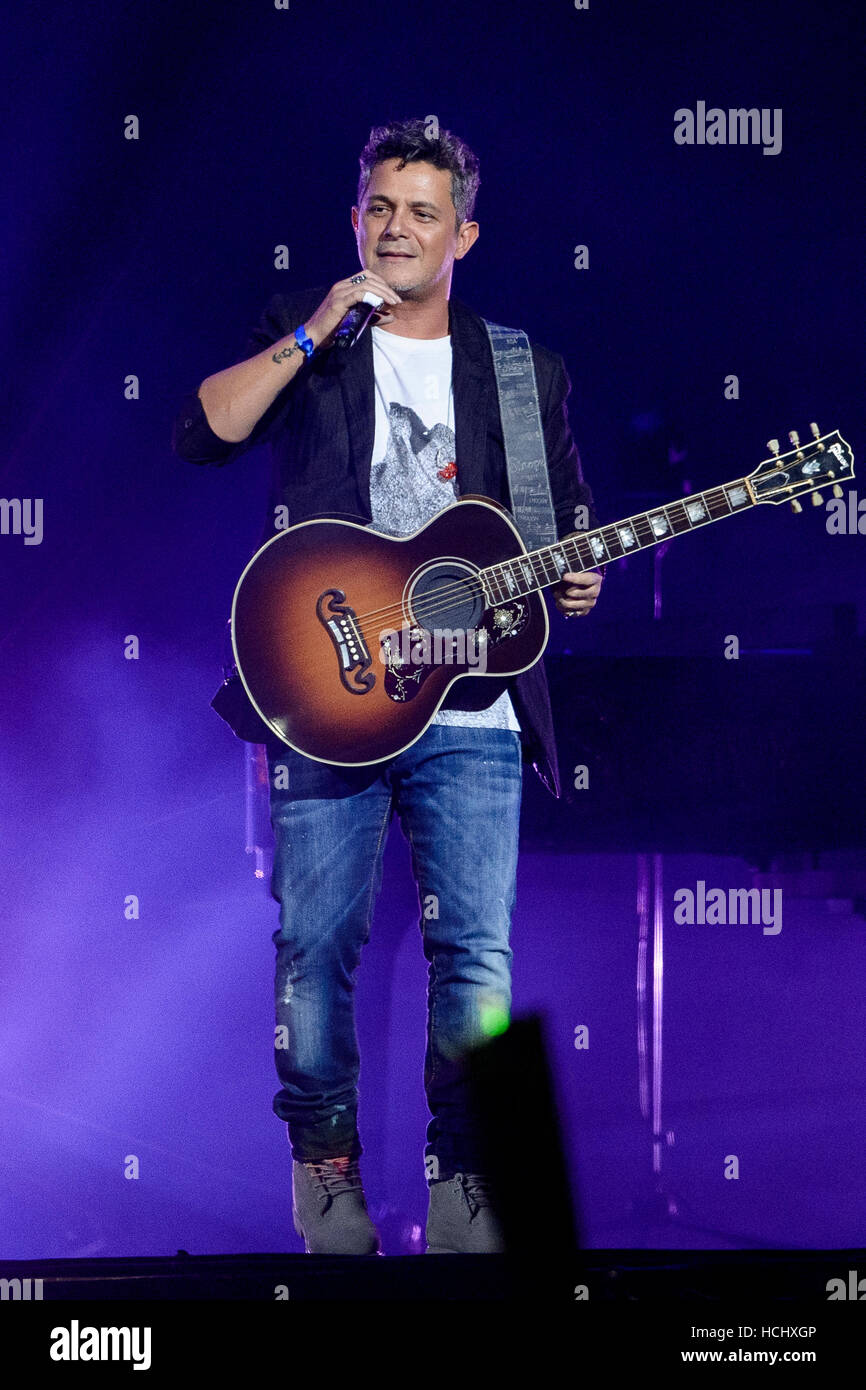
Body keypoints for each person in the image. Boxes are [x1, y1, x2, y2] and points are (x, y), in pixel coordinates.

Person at [172, 117, 602, 1255]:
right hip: (331, 688)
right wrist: (315, 327)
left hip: (474, 705)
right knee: (314, 948)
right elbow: (202, 431)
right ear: (356, 217)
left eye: (421, 211)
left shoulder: (525, 368)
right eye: (379, 206)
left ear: (463, 232)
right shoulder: (312, 337)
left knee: (478, 957)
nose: (396, 227)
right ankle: (324, 1170)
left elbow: (557, 531)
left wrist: (578, 577)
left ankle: (463, 1179)